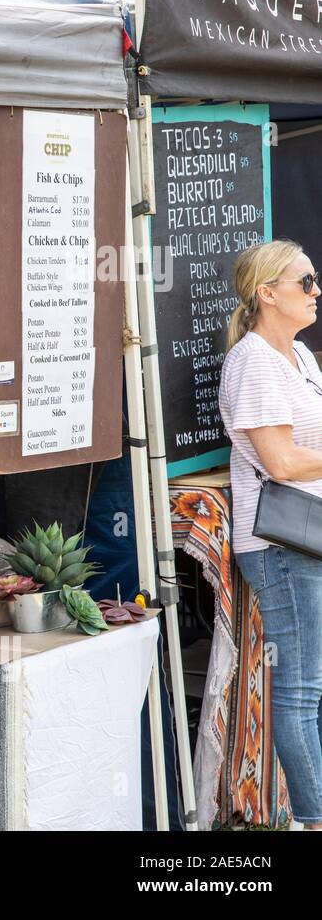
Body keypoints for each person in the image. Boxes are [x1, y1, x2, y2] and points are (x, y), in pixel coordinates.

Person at [219, 238, 322, 830]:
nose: (316, 291)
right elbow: (281, 462)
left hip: (307, 534)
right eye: (305, 281)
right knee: (301, 690)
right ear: (267, 293)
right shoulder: (253, 361)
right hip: (282, 542)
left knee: (311, 685)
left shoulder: (301, 356)